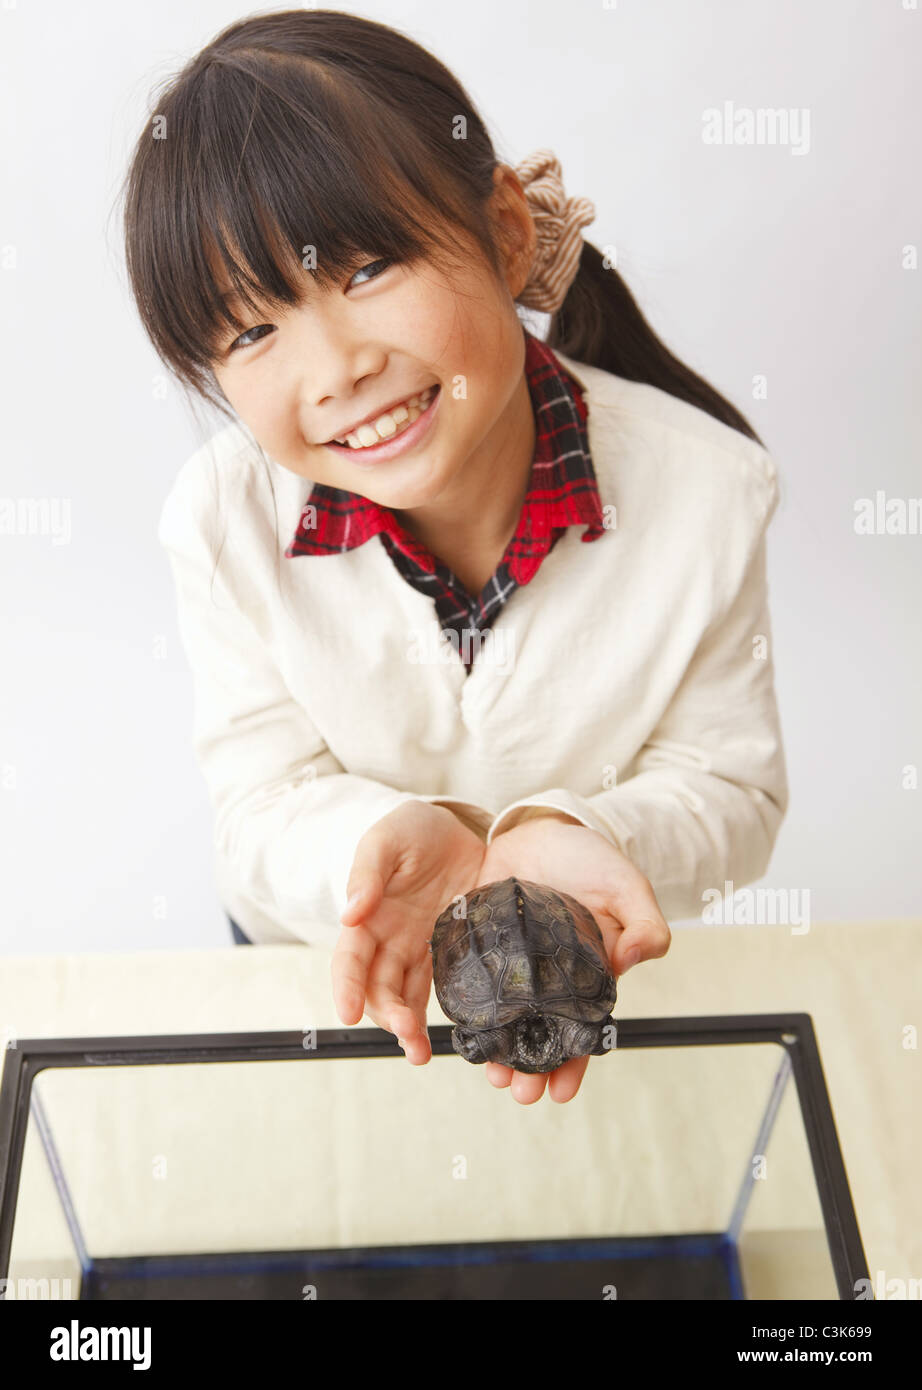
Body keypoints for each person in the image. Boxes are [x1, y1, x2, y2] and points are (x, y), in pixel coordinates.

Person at [123, 9, 788, 1104]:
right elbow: (258, 806)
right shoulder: (219, 519)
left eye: (370, 266)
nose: (335, 368)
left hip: (581, 975)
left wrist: (569, 834)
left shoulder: (707, 490)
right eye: (252, 331)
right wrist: (378, 841)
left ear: (506, 233)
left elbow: (732, 792)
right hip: (328, 969)